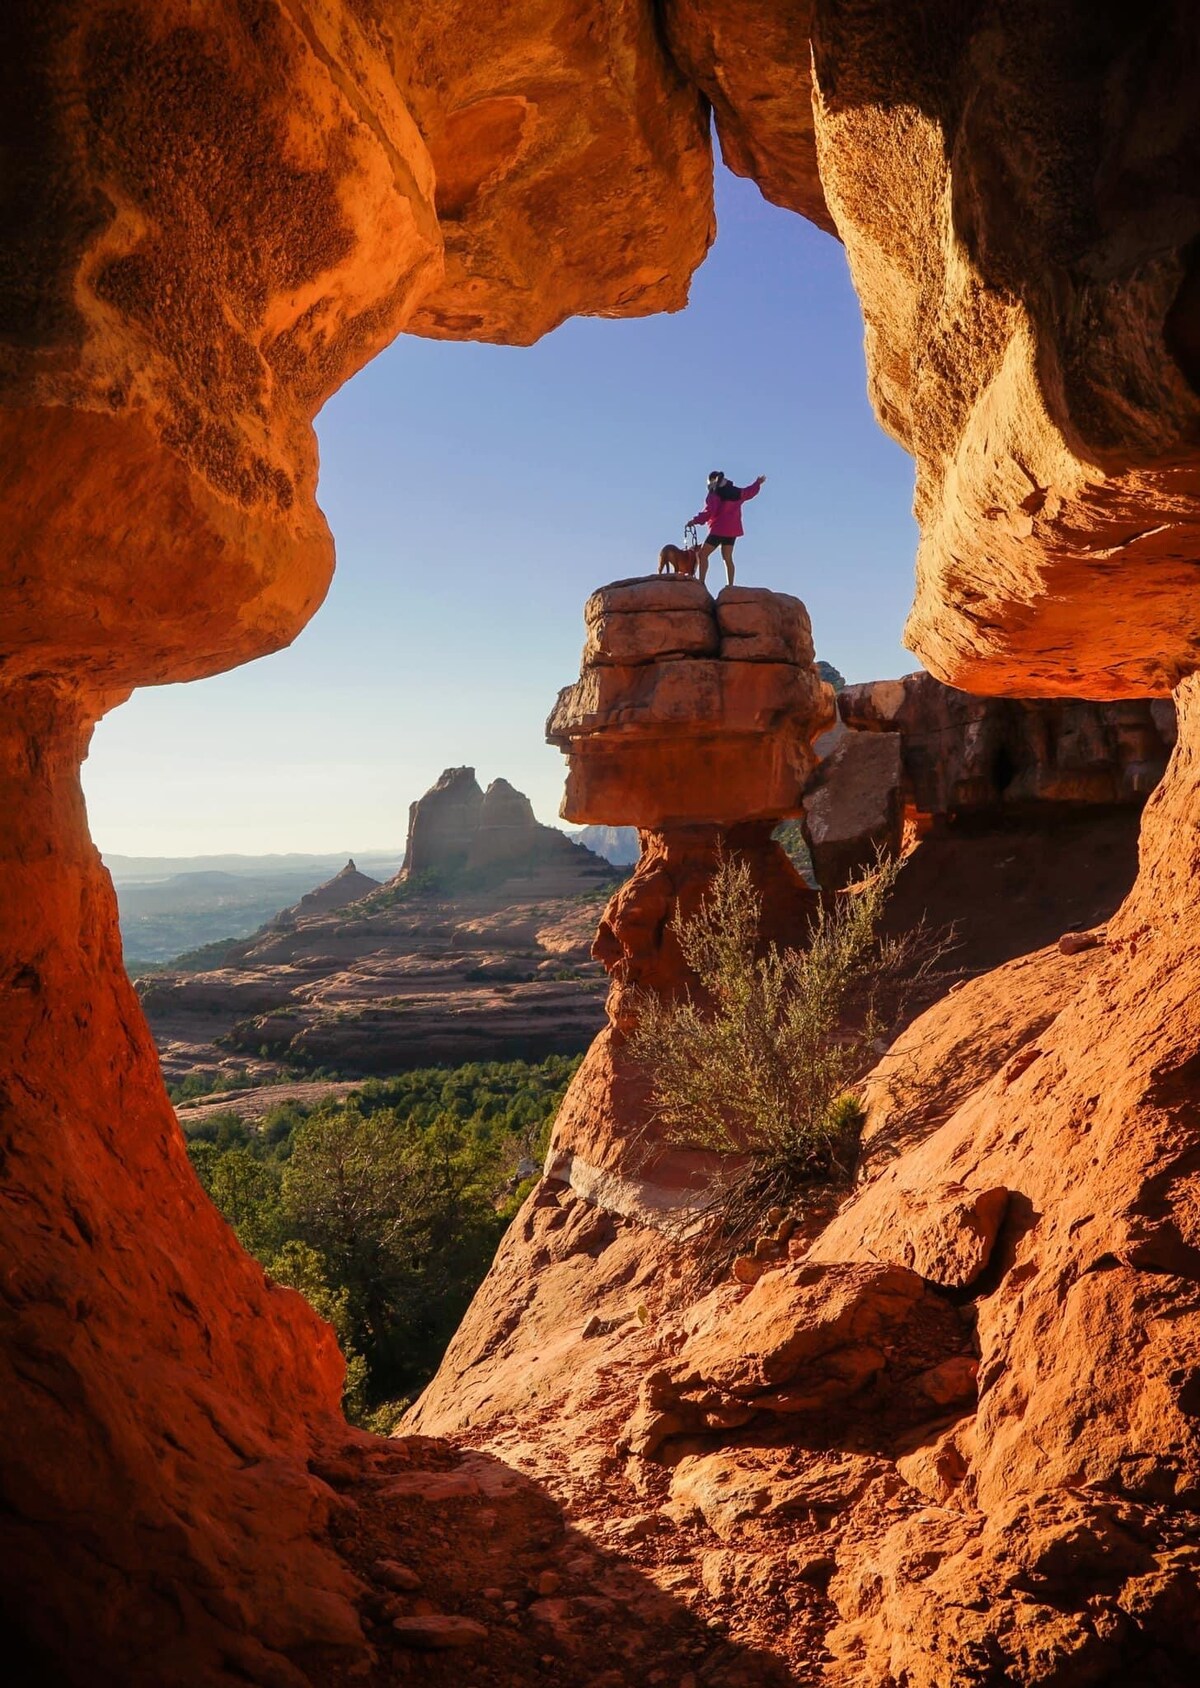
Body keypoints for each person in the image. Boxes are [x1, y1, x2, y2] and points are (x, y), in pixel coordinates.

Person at [689, 470, 767, 586]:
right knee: (727, 558)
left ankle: (701, 582)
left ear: (711, 481)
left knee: (702, 555)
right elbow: (749, 492)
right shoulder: (736, 491)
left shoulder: (714, 494)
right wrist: (757, 483)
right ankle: (730, 585)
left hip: (718, 529)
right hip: (732, 531)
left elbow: (709, 512)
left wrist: (695, 520)